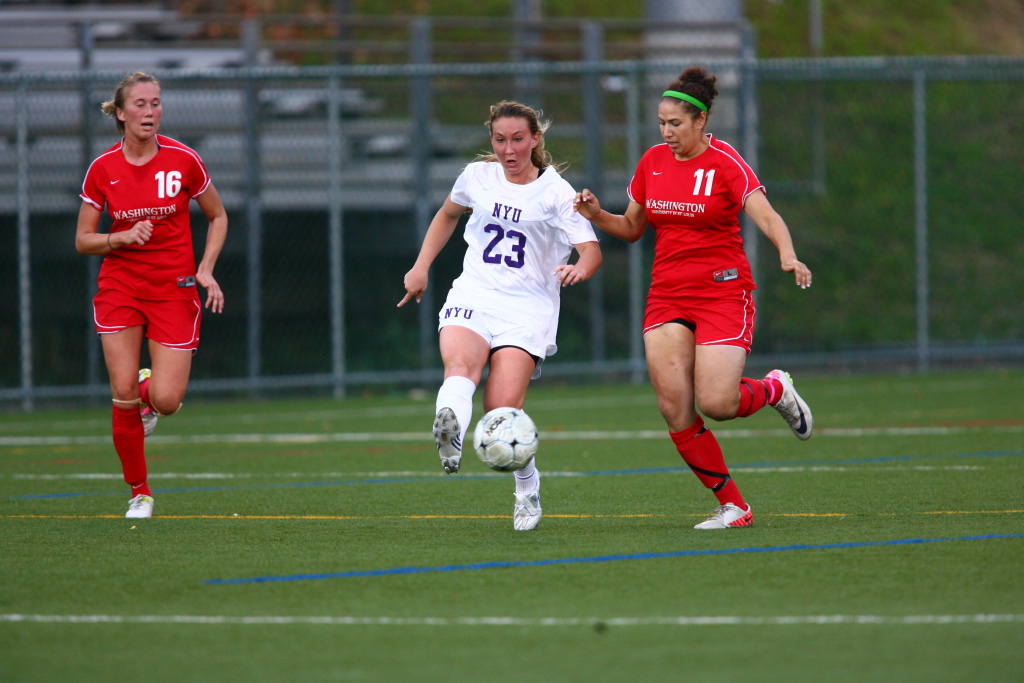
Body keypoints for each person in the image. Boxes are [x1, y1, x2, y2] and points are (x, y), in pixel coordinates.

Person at [573, 66, 813, 530]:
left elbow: (766, 214)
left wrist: (788, 254)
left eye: (675, 124)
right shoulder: (652, 163)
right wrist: (596, 212)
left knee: (718, 404)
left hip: (723, 291)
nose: (666, 132)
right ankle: (734, 506)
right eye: (661, 123)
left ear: (700, 122)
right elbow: (631, 228)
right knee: (673, 406)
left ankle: (775, 390)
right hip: (667, 294)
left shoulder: (726, 161)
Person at [398, 100, 602, 531]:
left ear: (535, 140)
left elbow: (591, 251)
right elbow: (447, 214)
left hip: (527, 308)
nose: (508, 149)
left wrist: (579, 268)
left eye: (517, 140)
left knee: (499, 411)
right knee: (460, 366)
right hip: (475, 293)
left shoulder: (556, 193)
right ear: (491, 139)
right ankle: (449, 434)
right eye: (499, 139)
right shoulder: (478, 176)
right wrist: (420, 267)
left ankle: (527, 487)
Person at [75, 72, 228, 519]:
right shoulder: (103, 168)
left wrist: (205, 268)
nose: (150, 111)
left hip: (172, 289)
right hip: (120, 285)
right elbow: (84, 240)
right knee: (120, 392)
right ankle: (139, 493)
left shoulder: (184, 160)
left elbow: (217, 216)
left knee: (166, 401)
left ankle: (150, 390)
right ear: (120, 114)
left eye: (156, 103)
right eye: (140, 104)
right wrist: (118, 239)